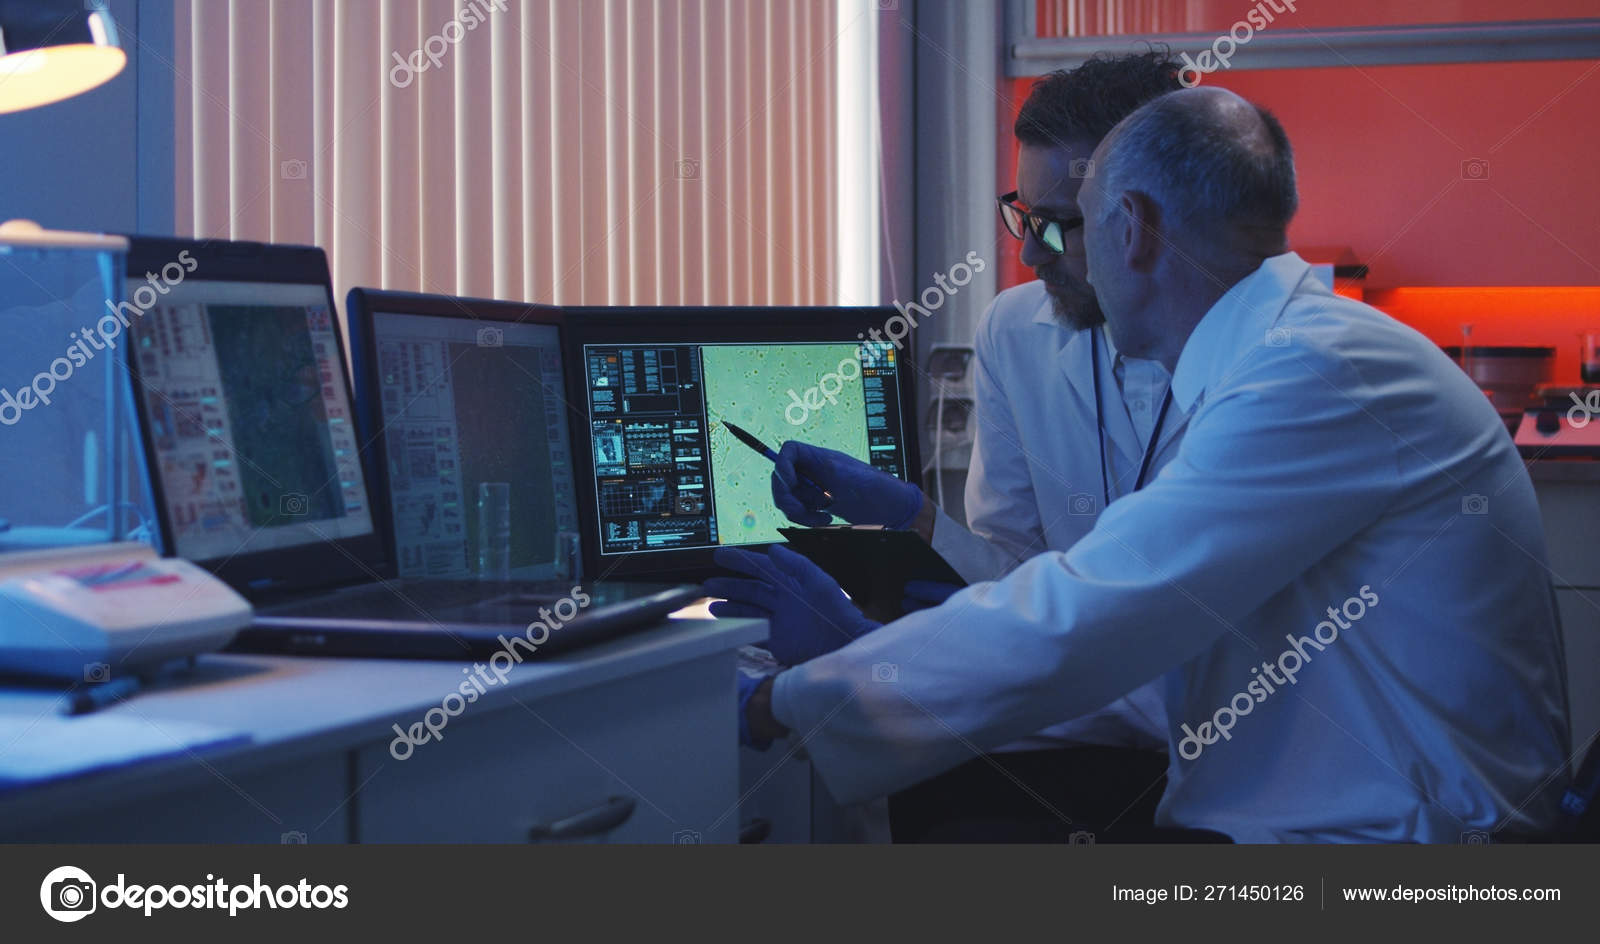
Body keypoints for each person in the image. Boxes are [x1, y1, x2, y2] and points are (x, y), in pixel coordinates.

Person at [720, 86, 1572, 842]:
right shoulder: (1285, 353)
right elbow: (1134, 650)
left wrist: (778, 699)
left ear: (1131, 227)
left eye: (1070, 225)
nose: (1040, 258)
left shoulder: (1313, 374)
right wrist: (876, 644)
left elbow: (1085, 619)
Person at [715, 52, 1191, 840]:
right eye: (1023, 214)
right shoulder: (1017, 329)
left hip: (1210, 778)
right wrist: (917, 524)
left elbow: (1172, 690)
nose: (1030, 253)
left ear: (1152, 220)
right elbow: (1021, 584)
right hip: (1080, 746)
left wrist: (866, 663)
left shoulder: (1259, 374)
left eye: (1060, 224)